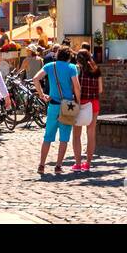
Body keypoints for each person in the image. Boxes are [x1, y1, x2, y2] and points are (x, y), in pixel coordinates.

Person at [33, 47, 81, 175]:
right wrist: (79, 102)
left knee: (48, 137)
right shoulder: (72, 68)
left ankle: (42, 165)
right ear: (69, 57)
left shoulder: (49, 66)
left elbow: (35, 79)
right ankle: (58, 166)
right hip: (67, 106)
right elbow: (76, 86)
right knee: (64, 138)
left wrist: (42, 94)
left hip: (53, 106)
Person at [71, 44, 102, 172]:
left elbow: (75, 88)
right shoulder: (96, 69)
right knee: (91, 134)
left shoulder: (77, 70)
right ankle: (88, 163)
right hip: (94, 103)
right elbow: (100, 89)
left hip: (80, 103)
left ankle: (78, 163)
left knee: (76, 135)